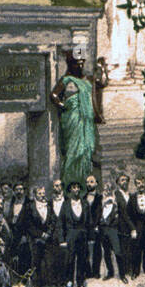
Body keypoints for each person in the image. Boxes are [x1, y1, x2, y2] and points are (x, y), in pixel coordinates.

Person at [50, 53, 96, 189]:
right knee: (73, 151)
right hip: (72, 119)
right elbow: (53, 95)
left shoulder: (86, 80)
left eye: (82, 63)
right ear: (71, 64)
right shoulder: (66, 80)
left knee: (85, 151)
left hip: (86, 120)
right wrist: (62, 105)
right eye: (77, 63)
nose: (80, 66)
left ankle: (85, 182)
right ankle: (70, 184)